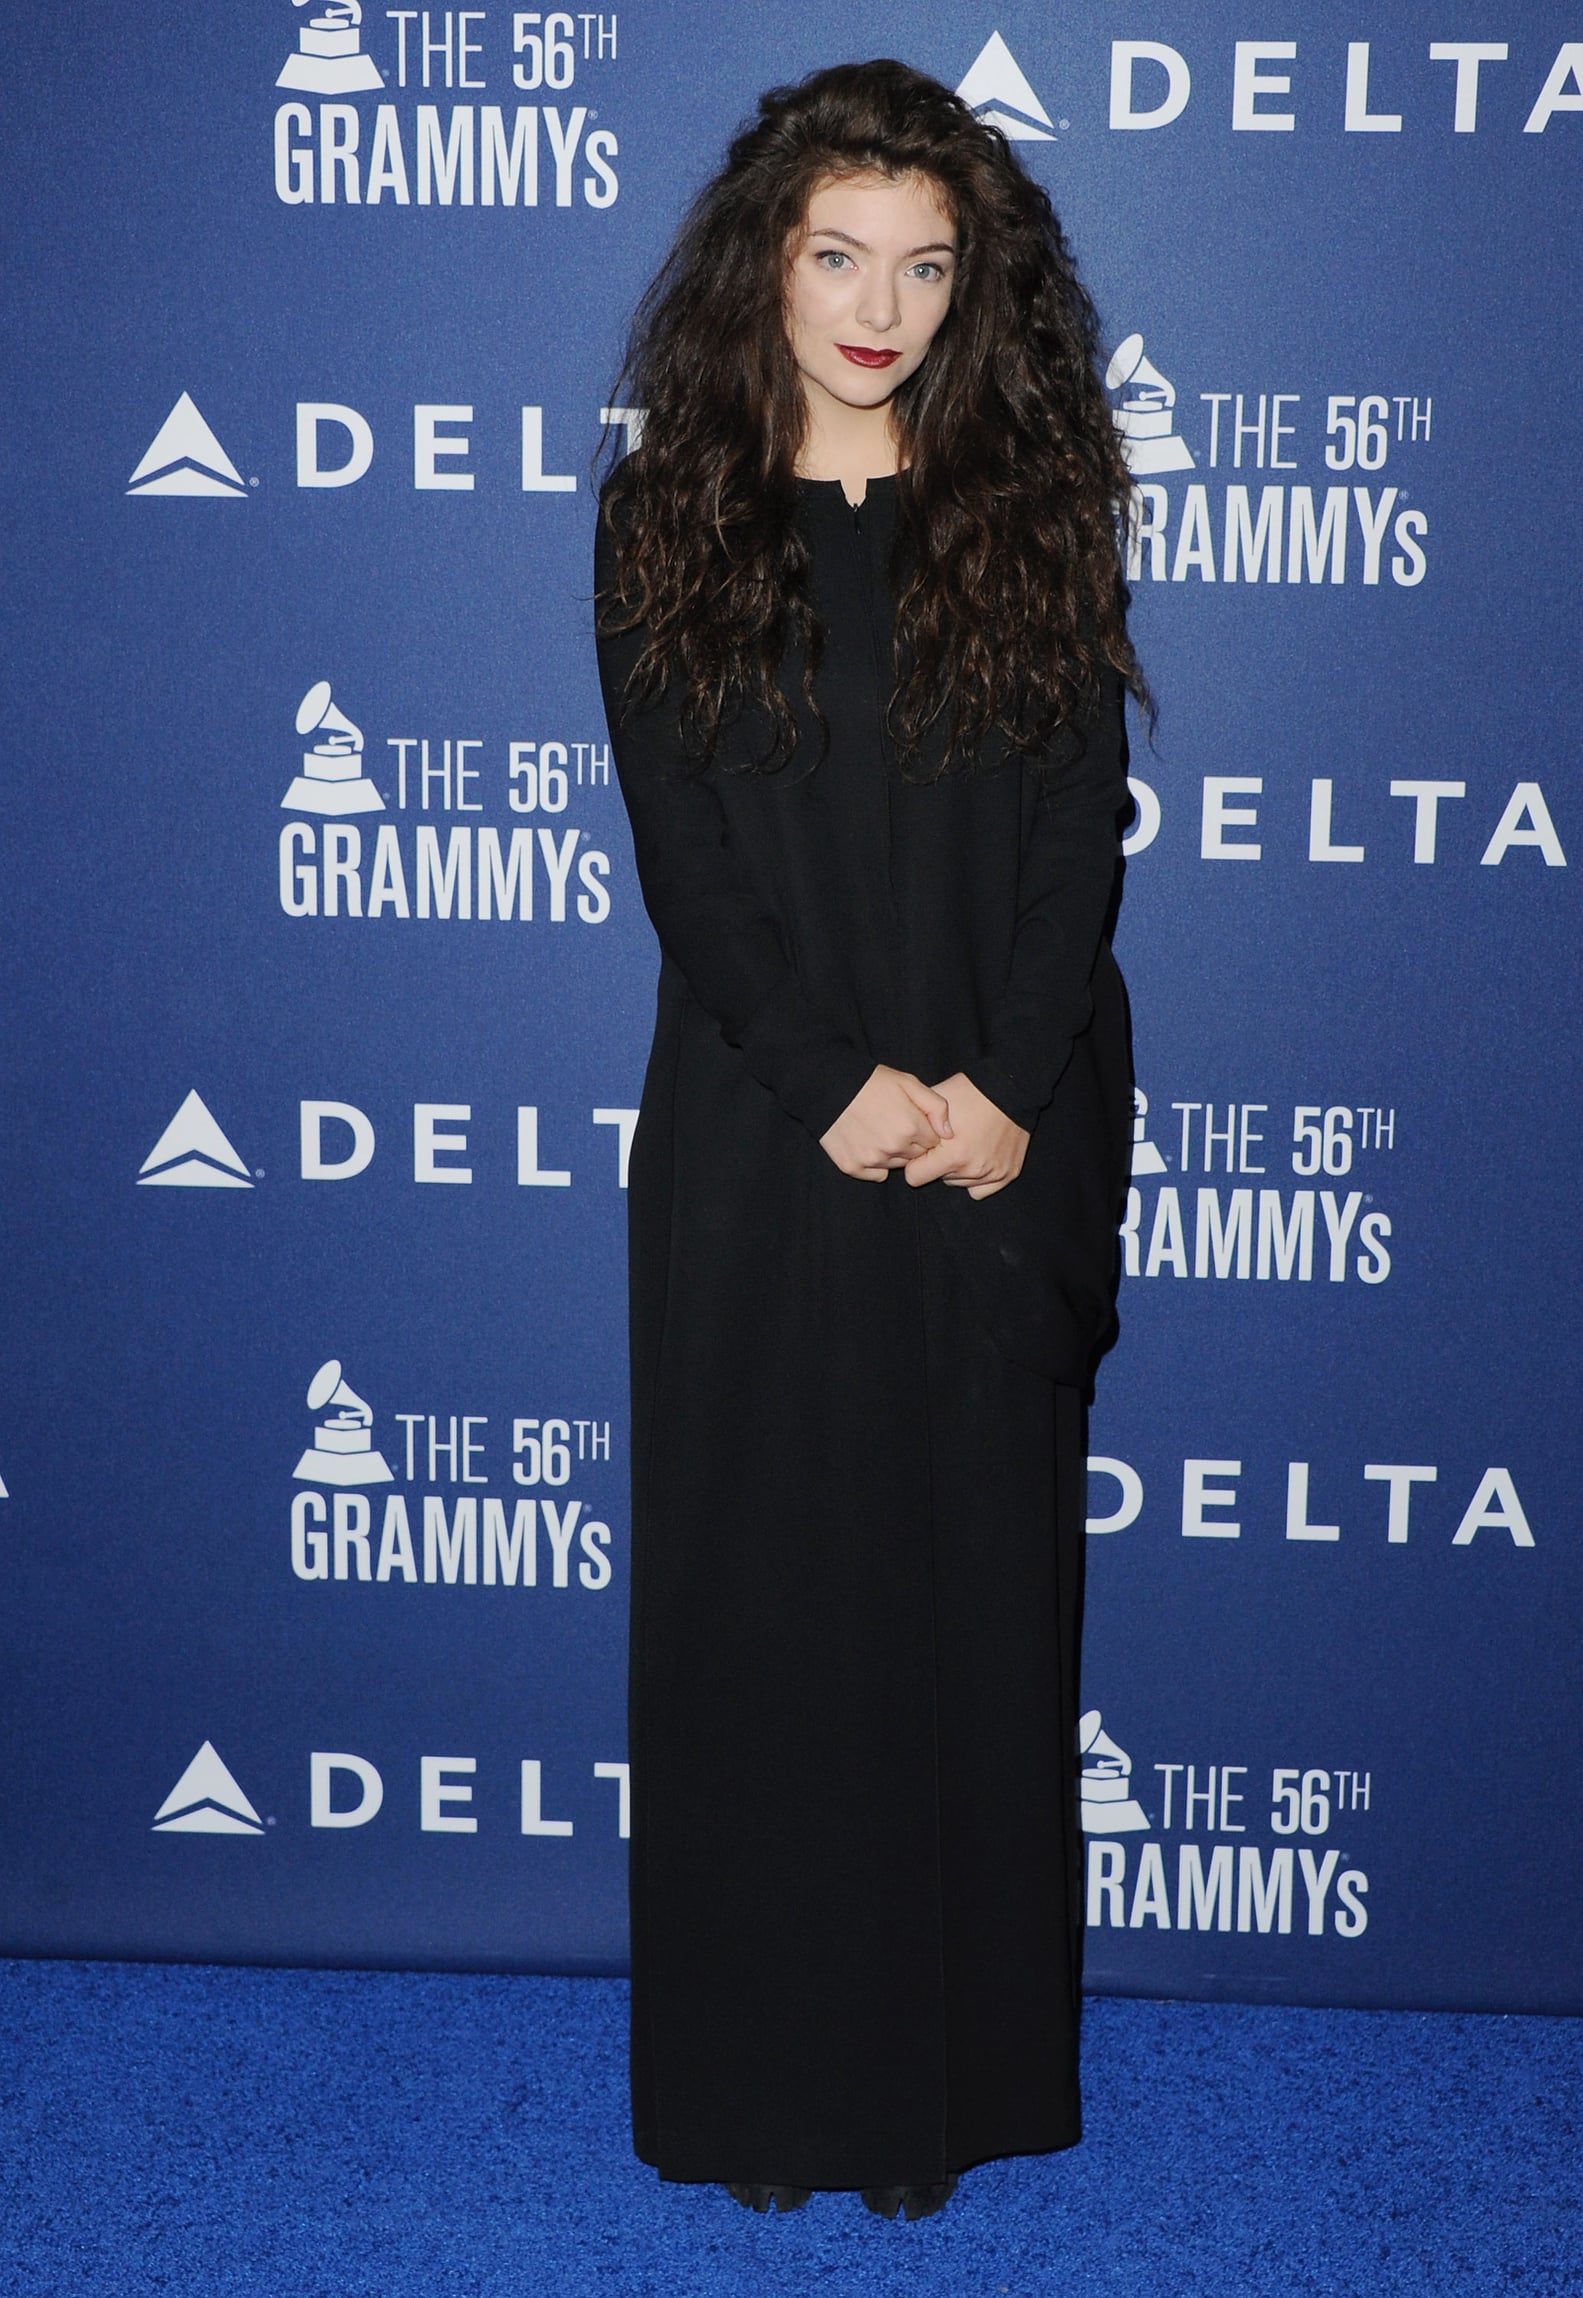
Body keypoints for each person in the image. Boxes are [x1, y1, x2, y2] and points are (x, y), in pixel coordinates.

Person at [592, 57, 1145, 2223]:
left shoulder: (1034, 506)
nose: (878, 306)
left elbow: (1076, 839)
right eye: (841, 255)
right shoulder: (667, 517)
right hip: (760, 1138)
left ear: (969, 290)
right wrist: (834, 1085)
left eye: (925, 266)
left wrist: (1005, 1093)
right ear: (768, 261)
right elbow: (690, 854)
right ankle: (760, 2098)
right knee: (765, 1616)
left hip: (1000, 1147)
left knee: (970, 1610)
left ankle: (960, 2090)